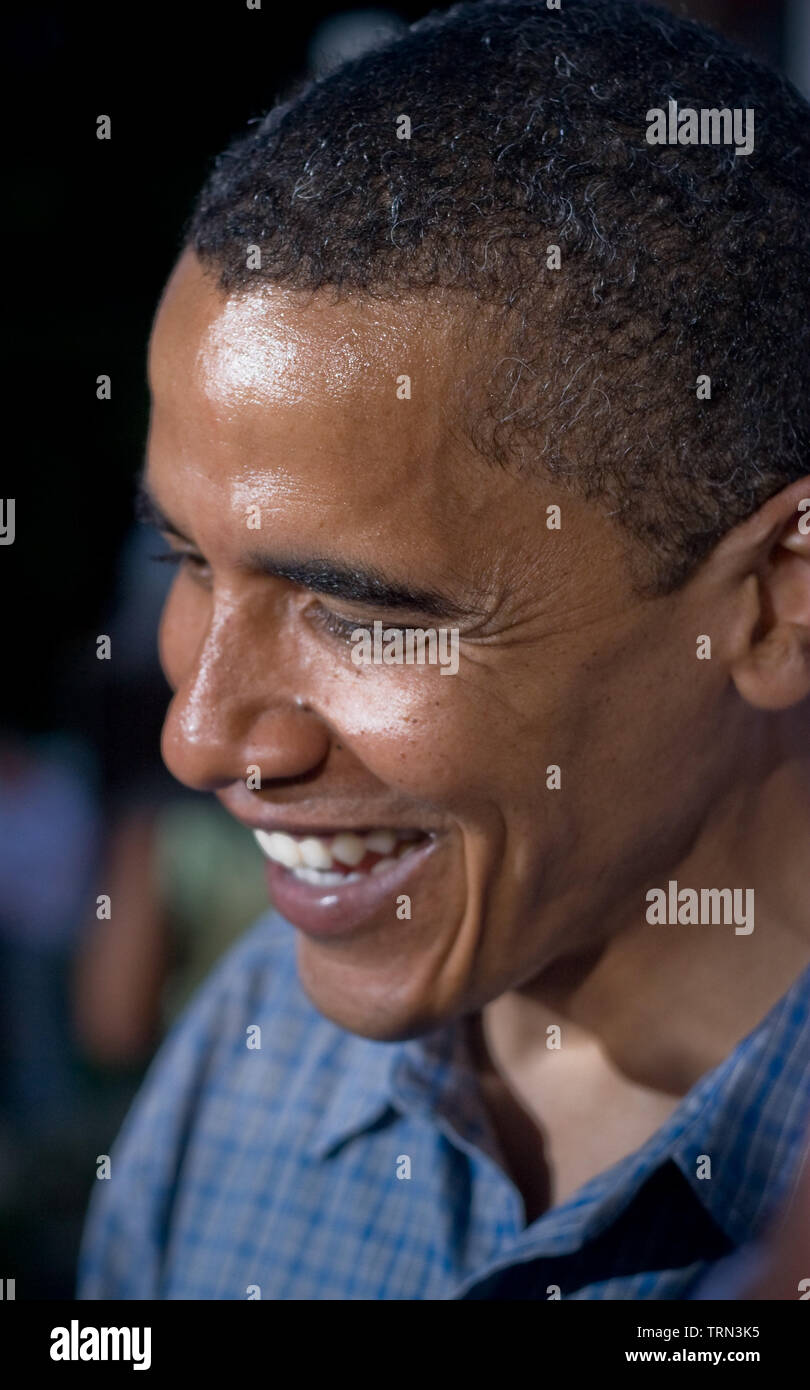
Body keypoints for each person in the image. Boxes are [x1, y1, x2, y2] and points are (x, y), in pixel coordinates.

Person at [76, 0, 810, 1299]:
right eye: (188, 561)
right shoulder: (248, 1054)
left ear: (773, 598)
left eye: (361, 611)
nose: (198, 737)